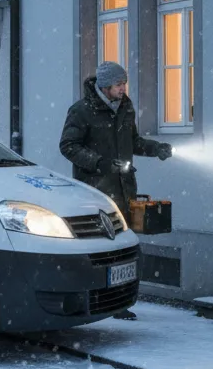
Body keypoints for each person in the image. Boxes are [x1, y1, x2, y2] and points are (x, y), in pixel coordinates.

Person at [59, 61, 172, 319]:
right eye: (119, 84)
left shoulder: (125, 108)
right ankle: (99, 301)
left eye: (124, 84)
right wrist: (101, 164)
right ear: (105, 85)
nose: (123, 89)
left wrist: (156, 149)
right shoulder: (82, 111)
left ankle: (121, 303)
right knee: (102, 251)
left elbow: (133, 142)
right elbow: (68, 146)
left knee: (125, 249)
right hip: (96, 193)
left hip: (124, 192)